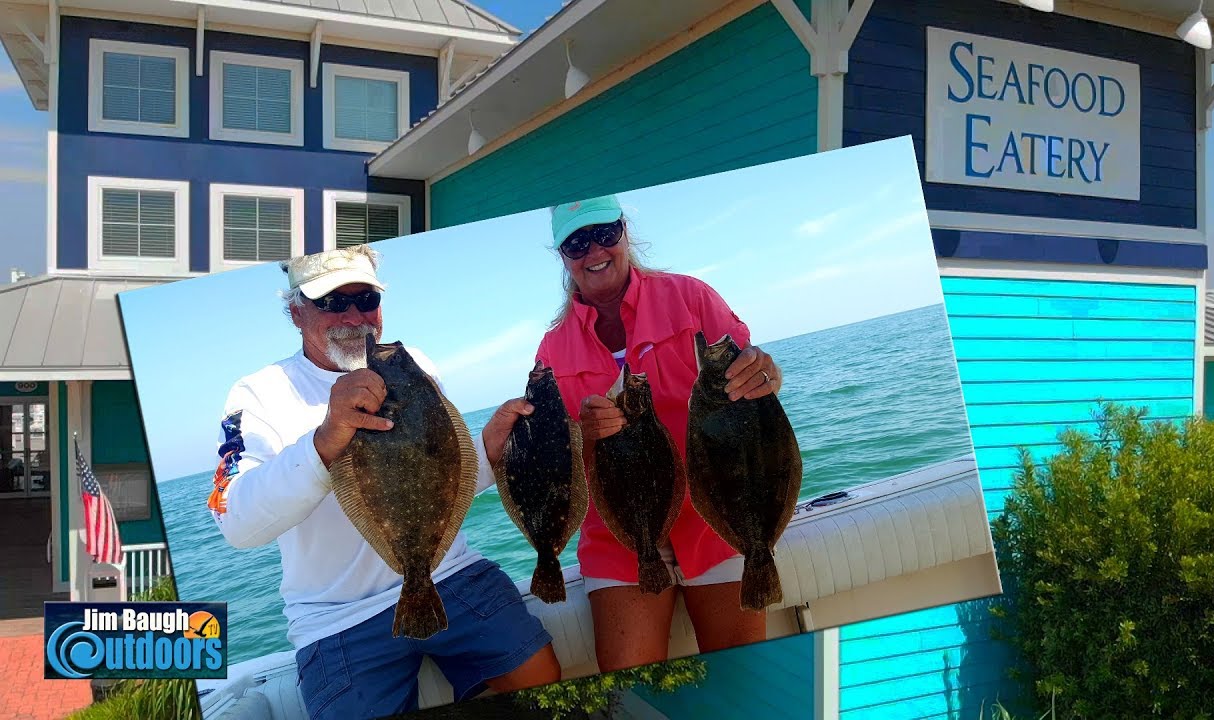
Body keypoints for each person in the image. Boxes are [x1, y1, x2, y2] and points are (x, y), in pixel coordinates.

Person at [206, 246, 560, 719]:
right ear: (295, 313)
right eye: (333, 302)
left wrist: (491, 451)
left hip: (450, 572)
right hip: (336, 616)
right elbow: (236, 522)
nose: (355, 316)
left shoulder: (414, 365)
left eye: (366, 298)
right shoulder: (258, 394)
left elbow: (438, 480)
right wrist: (326, 439)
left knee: (549, 689)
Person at [510, 194, 785, 672]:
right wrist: (587, 436)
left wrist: (766, 373)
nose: (594, 251)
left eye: (603, 234)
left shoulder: (690, 296)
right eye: (576, 243)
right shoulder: (551, 350)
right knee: (629, 692)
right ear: (562, 256)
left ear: (624, 232)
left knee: (747, 680)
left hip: (714, 513)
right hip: (621, 534)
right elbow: (552, 464)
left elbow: (750, 380)